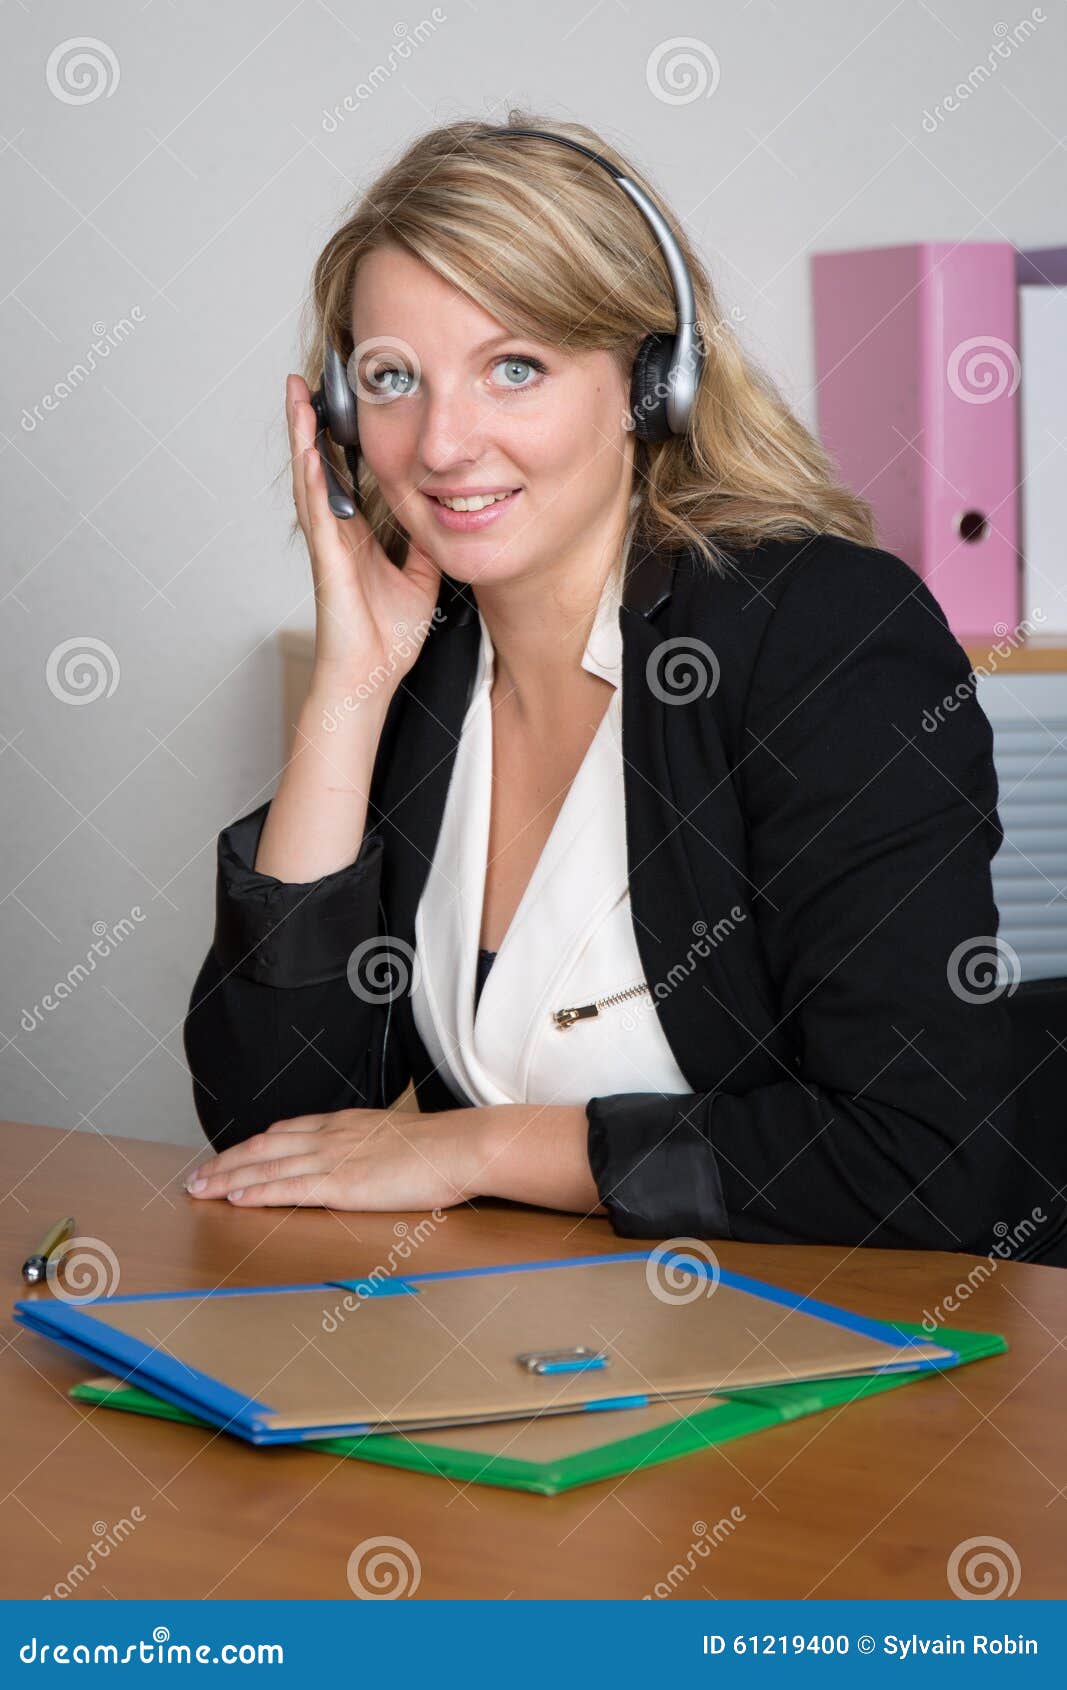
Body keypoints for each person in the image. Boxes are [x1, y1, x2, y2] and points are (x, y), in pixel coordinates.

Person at [181, 112, 1017, 1251]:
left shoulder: (818, 633)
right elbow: (275, 1128)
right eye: (392, 379)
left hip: (817, 1366)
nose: (440, 444)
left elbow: (918, 1159)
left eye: (511, 367)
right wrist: (348, 688)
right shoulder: (425, 664)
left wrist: (476, 1144)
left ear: (649, 382)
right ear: (338, 415)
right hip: (542, 1346)